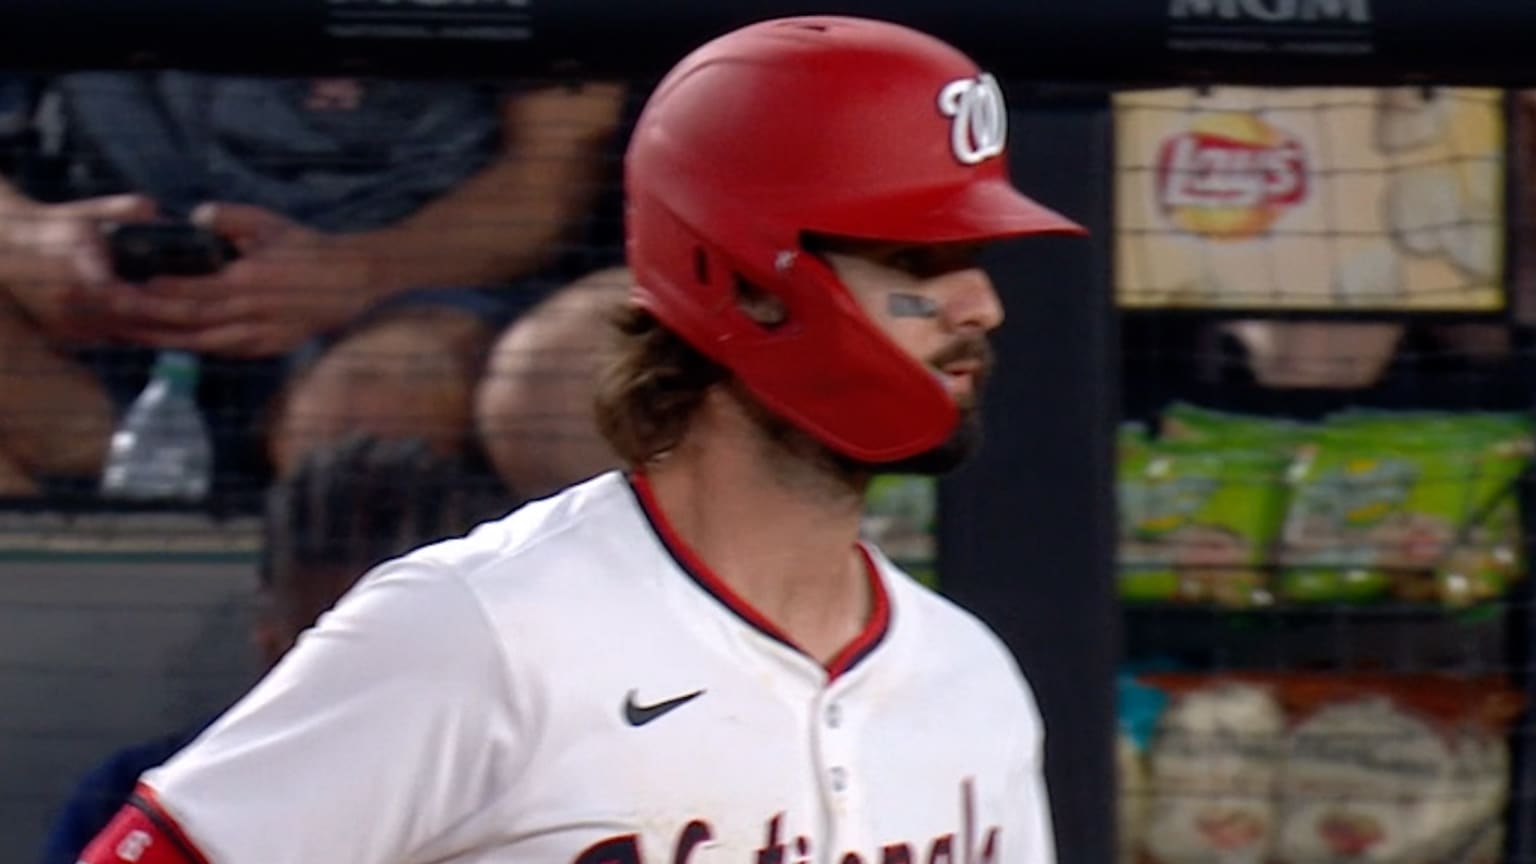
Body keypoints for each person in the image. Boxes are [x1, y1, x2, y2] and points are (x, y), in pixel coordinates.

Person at [79, 16, 1085, 864]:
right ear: (744, 281)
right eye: (918, 260)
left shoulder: (970, 680)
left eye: (977, 259)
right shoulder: (476, 631)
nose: (981, 306)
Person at [0, 72, 625, 497]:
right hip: (97, 298)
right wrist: (23, 235)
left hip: (422, 278)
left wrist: (361, 273)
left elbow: (552, 168)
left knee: (366, 413)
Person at [42, 434, 499, 864]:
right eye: (319, 647)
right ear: (266, 631)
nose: (350, 685)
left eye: (388, 659)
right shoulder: (133, 802)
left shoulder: (520, 810)